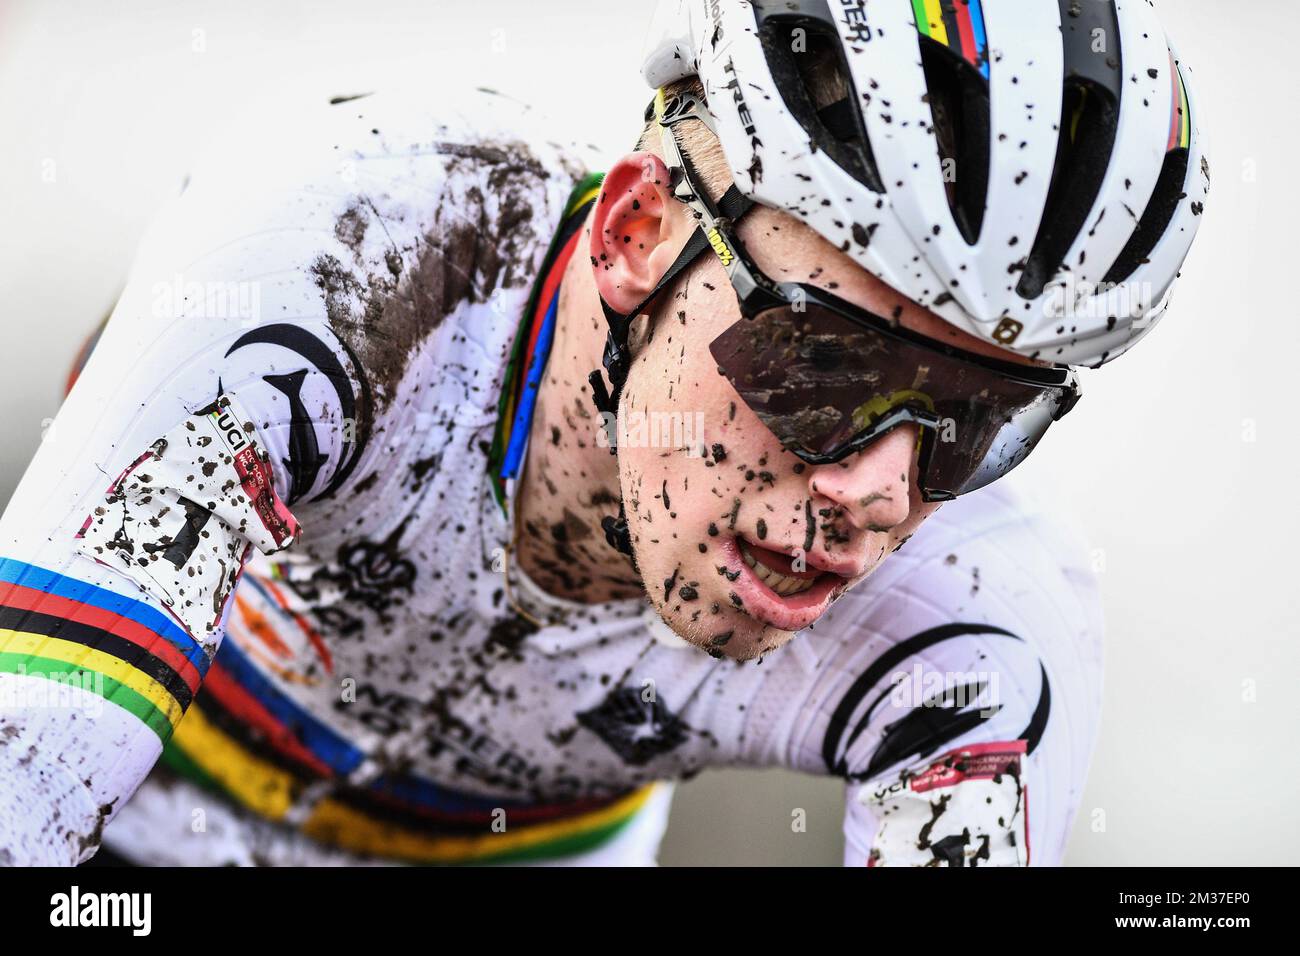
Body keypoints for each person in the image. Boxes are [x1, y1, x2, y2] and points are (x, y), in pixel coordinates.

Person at [0, 0, 1207, 866]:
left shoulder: (981, 603)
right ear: (634, 233)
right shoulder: (353, 245)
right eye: (825, 366)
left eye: (981, 422)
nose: (878, 492)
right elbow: (24, 780)